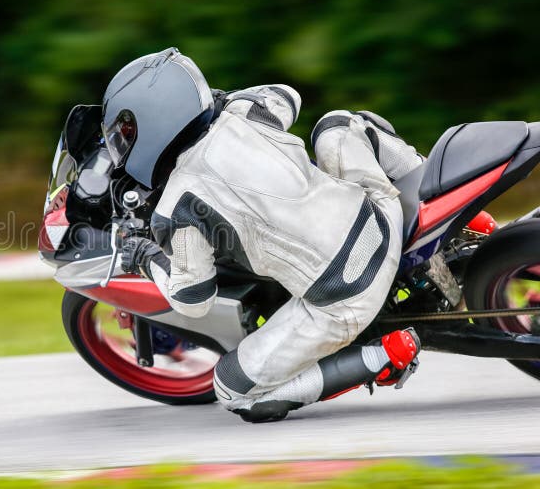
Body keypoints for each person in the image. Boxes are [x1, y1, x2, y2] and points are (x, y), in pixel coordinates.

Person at [106, 48, 423, 422]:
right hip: (381, 213)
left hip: (348, 293)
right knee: (339, 125)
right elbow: (288, 94)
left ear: (154, 124)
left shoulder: (177, 206)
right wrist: (226, 101)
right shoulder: (245, 113)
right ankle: (435, 190)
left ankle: (383, 357)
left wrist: (146, 256)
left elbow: (193, 300)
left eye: (126, 132)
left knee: (231, 390)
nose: (122, 142)